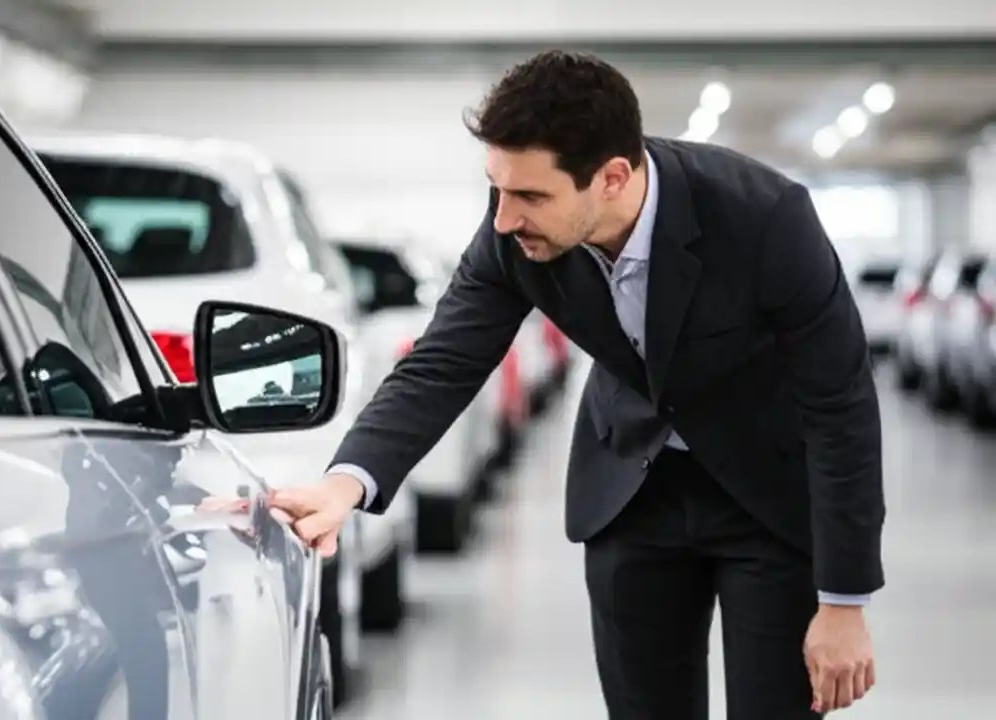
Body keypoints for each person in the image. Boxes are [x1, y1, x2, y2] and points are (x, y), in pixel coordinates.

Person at [268, 50, 885, 719]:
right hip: (631, 492)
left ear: (613, 178)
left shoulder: (765, 217)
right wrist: (346, 483)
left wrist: (843, 601)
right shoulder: (512, 227)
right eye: (498, 188)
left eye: (531, 196)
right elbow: (444, 360)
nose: (505, 218)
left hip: (766, 497)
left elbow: (839, 403)